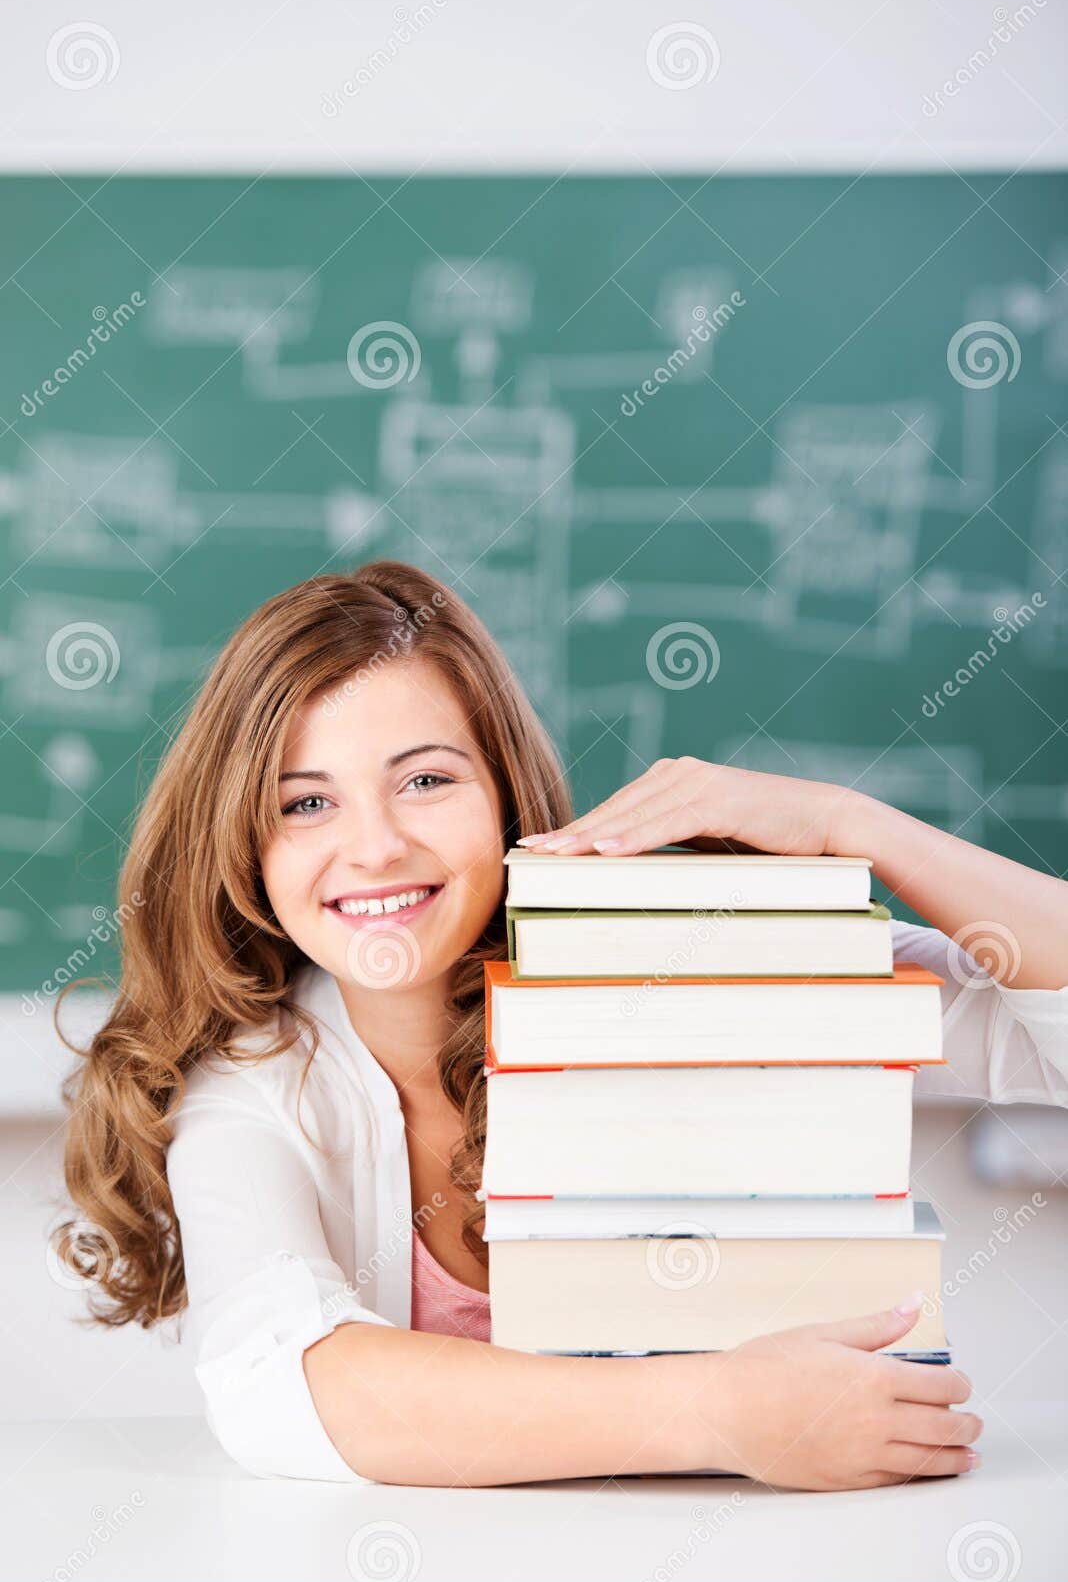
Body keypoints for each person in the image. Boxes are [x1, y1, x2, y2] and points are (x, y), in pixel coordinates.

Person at [57, 560, 1068, 1490]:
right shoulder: (251, 1084)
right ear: (247, 847)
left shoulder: (675, 966)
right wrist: (719, 1412)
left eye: (425, 780)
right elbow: (281, 1385)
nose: (373, 847)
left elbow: (1046, 1035)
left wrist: (857, 824)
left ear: (505, 797)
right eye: (307, 802)